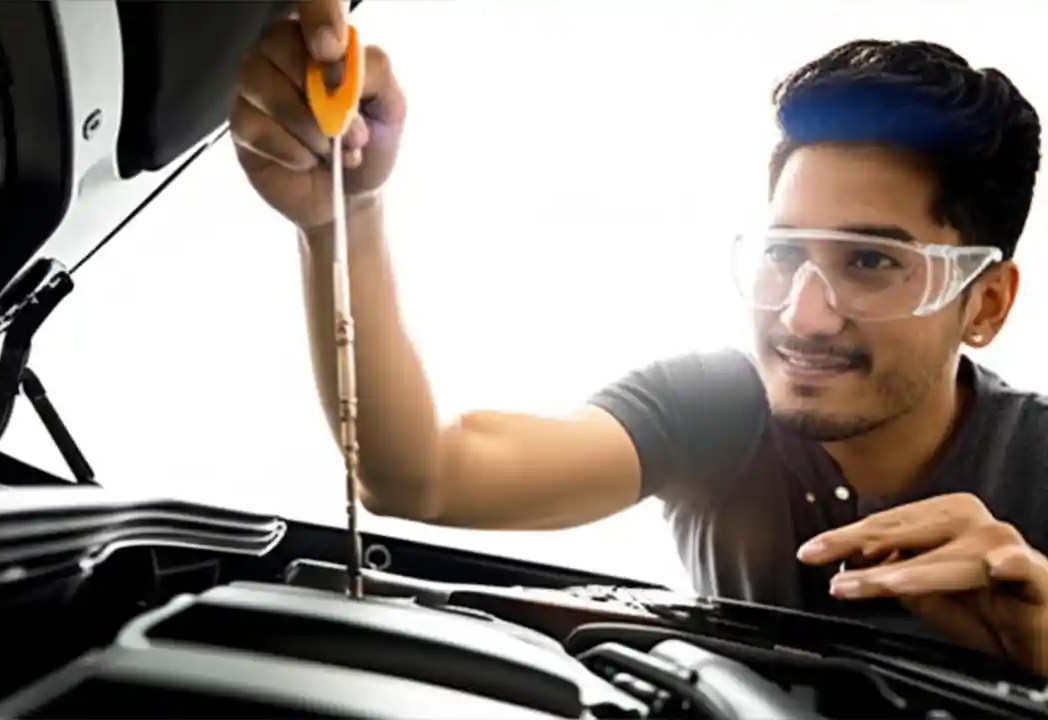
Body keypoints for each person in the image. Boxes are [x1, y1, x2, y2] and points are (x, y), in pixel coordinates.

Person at [230, 1, 1048, 675]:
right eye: (783, 253)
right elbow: (425, 476)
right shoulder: (717, 408)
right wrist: (345, 218)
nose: (804, 315)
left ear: (985, 304)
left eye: (872, 261)